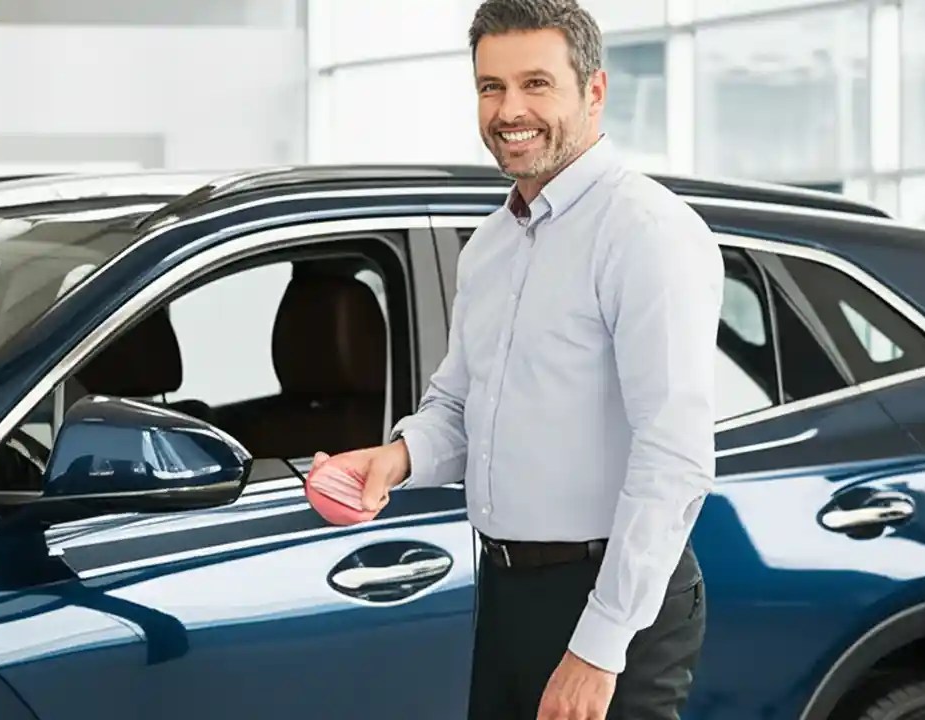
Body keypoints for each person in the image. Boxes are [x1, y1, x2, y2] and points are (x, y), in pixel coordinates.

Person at [308, 1, 725, 718]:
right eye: (491, 87)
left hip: (614, 600)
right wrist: (396, 460)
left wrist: (598, 648)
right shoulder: (493, 245)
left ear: (593, 92)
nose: (510, 110)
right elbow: (460, 410)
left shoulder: (645, 233)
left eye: (537, 83)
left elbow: (675, 458)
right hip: (508, 589)